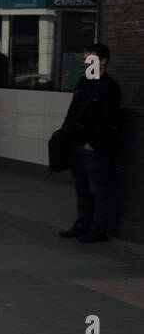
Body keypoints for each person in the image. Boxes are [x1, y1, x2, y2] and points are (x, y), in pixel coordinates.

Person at [59, 43, 121, 243]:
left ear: (103, 61)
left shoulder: (108, 87)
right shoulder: (83, 83)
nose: (87, 63)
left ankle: (98, 228)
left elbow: (109, 118)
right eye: (85, 59)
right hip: (76, 142)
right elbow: (72, 111)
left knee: (98, 187)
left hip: (92, 145)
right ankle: (83, 223)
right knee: (82, 186)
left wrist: (92, 142)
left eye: (91, 59)